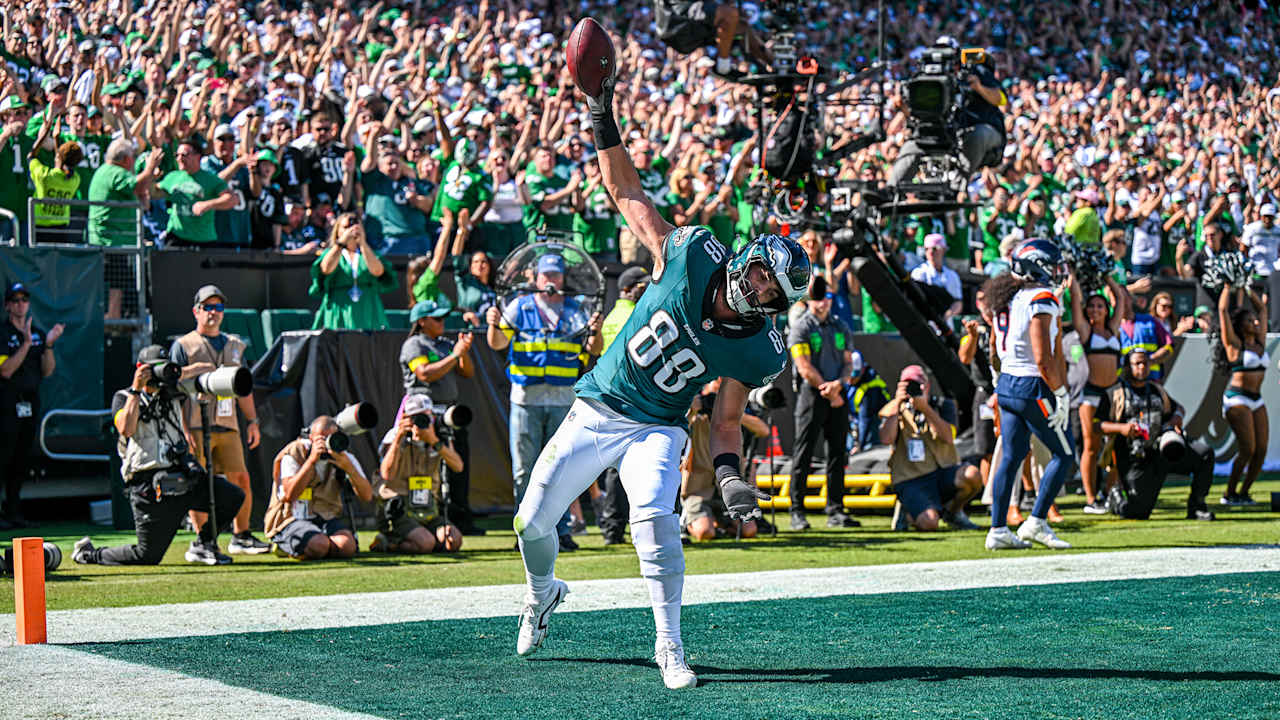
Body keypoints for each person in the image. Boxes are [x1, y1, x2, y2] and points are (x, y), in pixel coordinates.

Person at [510, 65, 809, 691]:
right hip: (598, 405)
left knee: (652, 518)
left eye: (767, 288)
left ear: (773, 302)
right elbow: (626, 194)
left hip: (658, 425)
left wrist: (728, 477)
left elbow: (726, 423)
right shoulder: (693, 254)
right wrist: (600, 109)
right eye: (757, 271)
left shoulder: (757, 350)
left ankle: (669, 646)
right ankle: (542, 592)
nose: (754, 284)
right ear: (747, 257)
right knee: (530, 521)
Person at [72, 345, 246, 566]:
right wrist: (137, 389)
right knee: (147, 555)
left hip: (181, 475)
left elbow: (188, 376)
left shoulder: (174, 393)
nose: (160, 374)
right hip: (148, 485)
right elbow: (126, 428)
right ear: (140, 369)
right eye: (155, 369)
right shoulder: (123, 397)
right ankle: (90, 554)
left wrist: (202, 369)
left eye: (164, 368)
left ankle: (204, 543)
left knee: (232, 495)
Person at [486, 252, 604, 552]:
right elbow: (497, 343)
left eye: (555, 275)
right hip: (526, 399)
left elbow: (593, 349)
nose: (550, 280)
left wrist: (596, 330)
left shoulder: (575, 309)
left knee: (561, 468)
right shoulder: (520, 306)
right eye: (545, 275)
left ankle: (561, 531)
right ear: (535, 278)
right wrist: (493, 324)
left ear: (562, 278)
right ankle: (525, 528)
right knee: (524, 469)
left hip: (564, 400)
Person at [982, 239, 1074, 550]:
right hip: (1031, 385)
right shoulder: (1041, 297)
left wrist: (999, 378)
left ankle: (997, 529)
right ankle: (1036, 521)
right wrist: (1060, 392)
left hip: (1007, 382)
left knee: (1012, 457)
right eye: (1051, 263)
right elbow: (1041, 356)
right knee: (1064, 454)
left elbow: (995, 348)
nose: (1056, 269)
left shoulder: (1006, 297)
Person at [170, 285, 269, 554]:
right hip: (194, 424)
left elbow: (244, 387)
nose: (213, 313)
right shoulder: (183, 345)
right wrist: (183, 429)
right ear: (196, 311)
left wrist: (253, 421)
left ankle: (242, 535)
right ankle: (204, 540)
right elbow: (171, 386)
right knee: (199, 484)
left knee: (241, 478)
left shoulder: (235, 345)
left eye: (219, 308)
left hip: (228, 424)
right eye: (207, 307)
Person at [1100, 349, 1215, 521]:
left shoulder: (1157, 390)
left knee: (1204, 453)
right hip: (1134, 457)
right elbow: (1097, 425)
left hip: (1163, 450)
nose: (1142, 367)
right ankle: (1116, 499)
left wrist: (1177, 418)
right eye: (1137, 363)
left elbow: (1178, 408)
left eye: (1146, 363)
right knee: (1139, 513)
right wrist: (1122, 428)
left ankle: (1197, 506)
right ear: (1126, 367)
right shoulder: (1116, 393)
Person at [400, 299, 482, 534]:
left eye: (443, 317)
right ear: (422, 321)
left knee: (458, 464)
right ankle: (429, 516)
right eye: (436, 318)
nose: (442, 322)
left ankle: (460, 516)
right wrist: (455, 356)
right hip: (424, 414)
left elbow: (468, 372)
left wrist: (463, 352)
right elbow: (424, 373)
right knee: (430, 467)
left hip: (449, 413)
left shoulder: (445, 344)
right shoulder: (414, 345)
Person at [786, 276, 858, 530]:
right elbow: (804, 367)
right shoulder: (801, 328)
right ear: (808, 302)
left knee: (838, 453)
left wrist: (840, 384)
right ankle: (797, 511)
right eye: (816, 299)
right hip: (812, 394)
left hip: (837, 392)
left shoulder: (840, 327)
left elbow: (849, 361)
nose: (821, 304)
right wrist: (828, 388)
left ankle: (835, 509)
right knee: (803, 452)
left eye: (825, 299)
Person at [889, 37, 1006, 188]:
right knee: (912, 145)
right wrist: (903, 107)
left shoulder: (975, 70)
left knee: (977, 135)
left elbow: (1001, 99)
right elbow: (916, 117)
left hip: (983, 129)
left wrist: (979, 87)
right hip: (944, 131)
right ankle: (891, 191)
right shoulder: (924, 77)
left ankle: (958, 188)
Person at [879, 365, 982, 531]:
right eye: (907, 385)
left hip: (942, 471)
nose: (913, 389)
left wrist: (925, 408)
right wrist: (898, 402)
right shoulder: (893, 409)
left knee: (973, 475)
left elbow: (948, 437)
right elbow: (885, 439)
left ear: (926, 386)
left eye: (917, 384)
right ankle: (908, 512)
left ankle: (953, 513)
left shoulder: (943, 405)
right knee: (929, 523)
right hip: (911, 478)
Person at [264, 415, 373, 560]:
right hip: (291, 517)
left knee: (347, 546)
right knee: (319, 545)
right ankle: (285, 544)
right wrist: (311, 461)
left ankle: (310, 546)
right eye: (322, 438)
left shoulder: (342, 454)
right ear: (310, 437)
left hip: (324, 516)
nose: (327, 443)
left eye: (331, 438)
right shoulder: (295, 452)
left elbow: (367, 496)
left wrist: (349, 468)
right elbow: (290, 495)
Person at [0, 282, 62, 528]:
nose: (20, 304)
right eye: (15, 300)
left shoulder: (36, 333)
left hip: (30, 402)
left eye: (24, 300)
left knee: (21, 458)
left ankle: (14, 511)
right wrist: (25, 344)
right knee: (3, 456)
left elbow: (47, 371)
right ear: (7, 306)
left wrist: (47, 345)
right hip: (6, 403)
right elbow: (5, 371)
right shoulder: (3, 334)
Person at [596, 265, 651, 545]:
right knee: (624, 466)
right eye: (641, 286)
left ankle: (613, 527)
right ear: (628, 289)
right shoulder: (631, 315)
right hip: (631, 397)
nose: (646, 289)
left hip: (618, 396)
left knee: (618, 465)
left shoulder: (615, 316)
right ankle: (617, 526)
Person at [1068, 272, 1130, 514]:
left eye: (1100, 306)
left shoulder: (1113, 331)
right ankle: (1091, 498)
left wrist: (1106, 278)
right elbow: (1075, 299)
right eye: (1091, 306)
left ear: (1106, 310)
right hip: (1091, 393)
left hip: (1113, 393)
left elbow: (1121, 301)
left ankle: (1110, 492)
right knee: (1090, 445)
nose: (1095, 310)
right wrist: (1073, 275)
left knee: (1115, 445)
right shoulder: (1085, 332)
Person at [372, 394, 465, 553]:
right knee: (426, 543)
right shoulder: (395, 436)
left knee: (453, 541)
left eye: (427, 416)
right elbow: (386, 474)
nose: (423, 422)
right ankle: (388, 540)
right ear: (407, 418)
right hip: (399, 507)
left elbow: (458, 466)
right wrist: (400, 437)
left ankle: (411, 538)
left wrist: (434, 442)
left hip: (427, 507)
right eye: (417, 417)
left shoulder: (439, 435)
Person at [681, 382, 767, 541]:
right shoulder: (696, 411)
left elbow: (763, 430)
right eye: (715, 389)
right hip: (699, 490)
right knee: (705, 533)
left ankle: (720, 524)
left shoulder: (732, 415)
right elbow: (681, 425)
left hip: (725, 491)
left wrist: (730, 412)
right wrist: (695, 407)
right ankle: (688, 522)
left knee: (749, 531)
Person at [1216, 284, 1269, 506]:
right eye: (1249, 321)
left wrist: (1247, 287)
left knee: (1261, 451)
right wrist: (1228, 286)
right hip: (1237, 398)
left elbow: (1263, 311)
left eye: (1254, 321)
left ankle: (1244, 493)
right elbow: (1222, 311)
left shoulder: (1260, 342)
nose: (1255, 323)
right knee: (1248, 448)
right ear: (1240, 325)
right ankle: (1229, 494)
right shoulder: (1234, 346)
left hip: (1257, 399)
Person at [309, 213, 397, 330]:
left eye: (355, 226)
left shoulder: (369, 254)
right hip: (339, 308)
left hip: (367, 309)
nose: (351, 230)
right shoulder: (332, 253)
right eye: (345, 228)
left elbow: (378, 271)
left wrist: (363, 243)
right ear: (337, 231)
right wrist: (341, 243)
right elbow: (326, 269)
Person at [156, 138, 238, 247]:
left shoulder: (210, 179)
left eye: (184, 155)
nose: (179, 159)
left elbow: (232, 199)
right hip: (176, 238)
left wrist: (207, 204)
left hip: (204, 241)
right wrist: (150, 174)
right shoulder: (173, 177)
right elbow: (152, 194)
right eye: (177, 155)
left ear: (198, 157)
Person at [957, 287, 996, 484]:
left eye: (987, 298)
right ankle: (990, 499)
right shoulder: (975, 328)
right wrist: (972, 336)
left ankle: (1025, 495)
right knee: (986, 450)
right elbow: (964, 357)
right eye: (980, 299)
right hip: (985, 393)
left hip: (1006, 390)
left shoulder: (1004, 323)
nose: (984, 304)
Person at [909, 233, 963, 317]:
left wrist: (947, 315)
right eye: (927, 249)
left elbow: (958, 302)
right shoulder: (918, 273)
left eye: (935, 248)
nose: (930, 252)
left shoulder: (952, 276)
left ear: (943, 250)